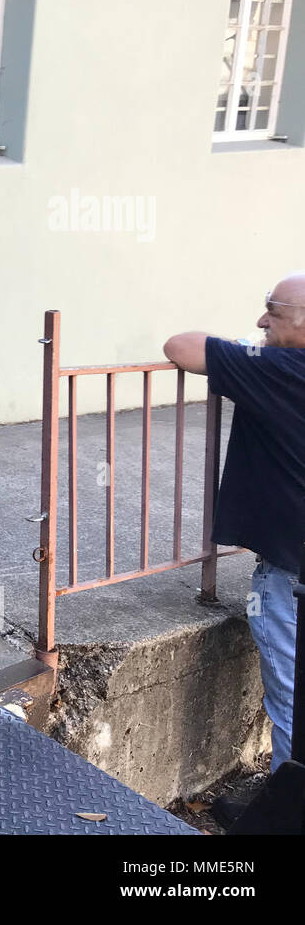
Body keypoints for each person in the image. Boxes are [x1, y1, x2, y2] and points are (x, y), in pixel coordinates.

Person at [163, 272, 305, 774]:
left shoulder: (283, 370)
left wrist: (249, 348)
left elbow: (180, 346)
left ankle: (290, 813)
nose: (261, 320)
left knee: (293, 709)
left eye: (274, 311)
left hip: (292, 577)